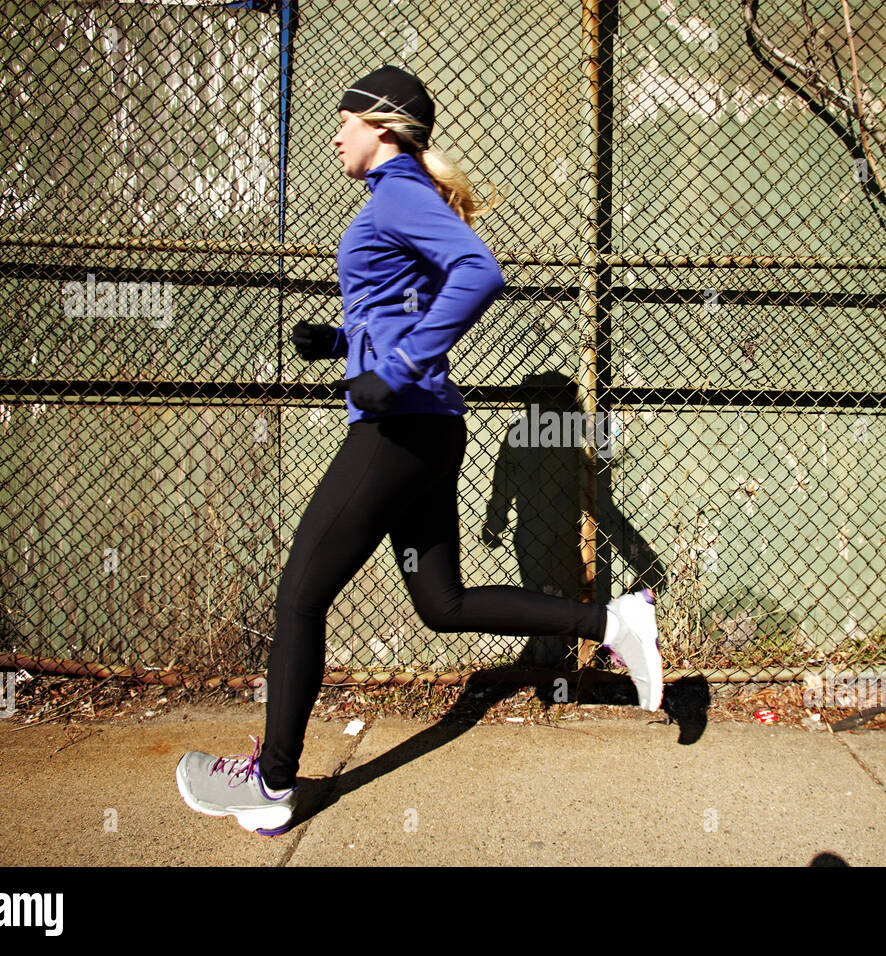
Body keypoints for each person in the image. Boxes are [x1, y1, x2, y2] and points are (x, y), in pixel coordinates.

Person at [175, 66, 663, 836]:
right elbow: (405, 305)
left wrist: (395, 370)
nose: (334, 134)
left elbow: (479, 273)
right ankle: (611, 623)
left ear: (384, 124)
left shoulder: (398, 192)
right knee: (443, 604)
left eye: (345, 121)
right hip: (431, 428)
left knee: (299, 594)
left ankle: (270, 784)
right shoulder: (395, 199)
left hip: (399, 431)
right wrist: (339, 340)